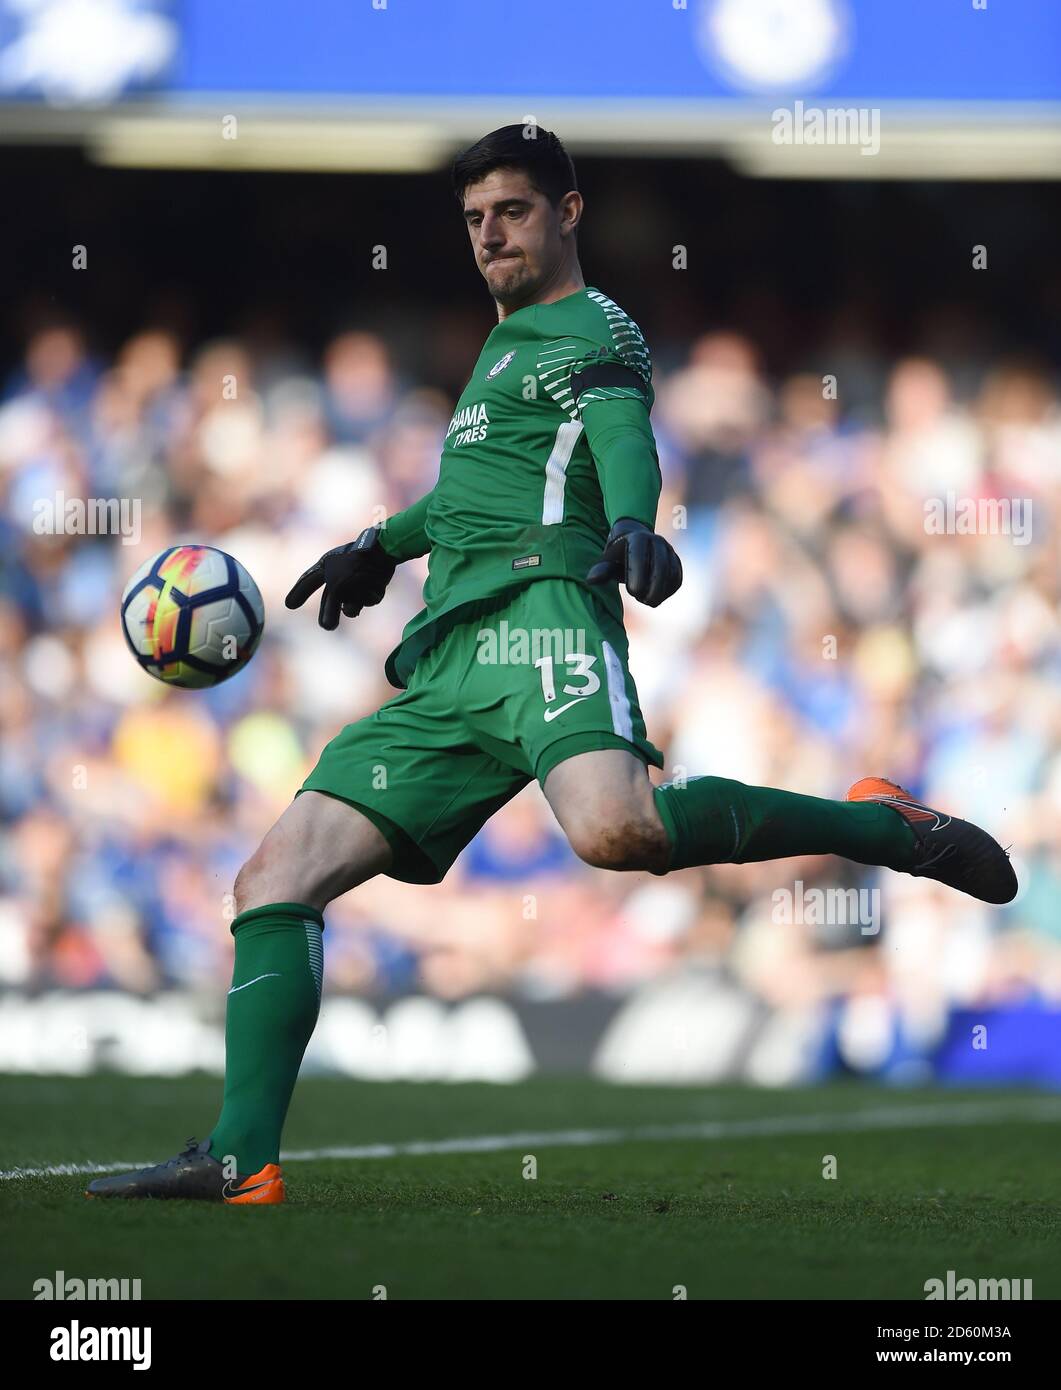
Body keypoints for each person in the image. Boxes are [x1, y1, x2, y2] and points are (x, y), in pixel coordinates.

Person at [87, 126, 1015, 1206]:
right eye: (475, 219)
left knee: (617, 831)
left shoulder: (592, 326)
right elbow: (472, 492)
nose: (490, 235)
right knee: (271, 880)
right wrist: (376, 545)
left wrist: (631, 521)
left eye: (513, 212)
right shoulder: (497, 347)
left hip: (545, 618)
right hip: (446, 660)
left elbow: (624, 432)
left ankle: (879, 827)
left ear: (567, 214)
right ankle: (240, 1157)